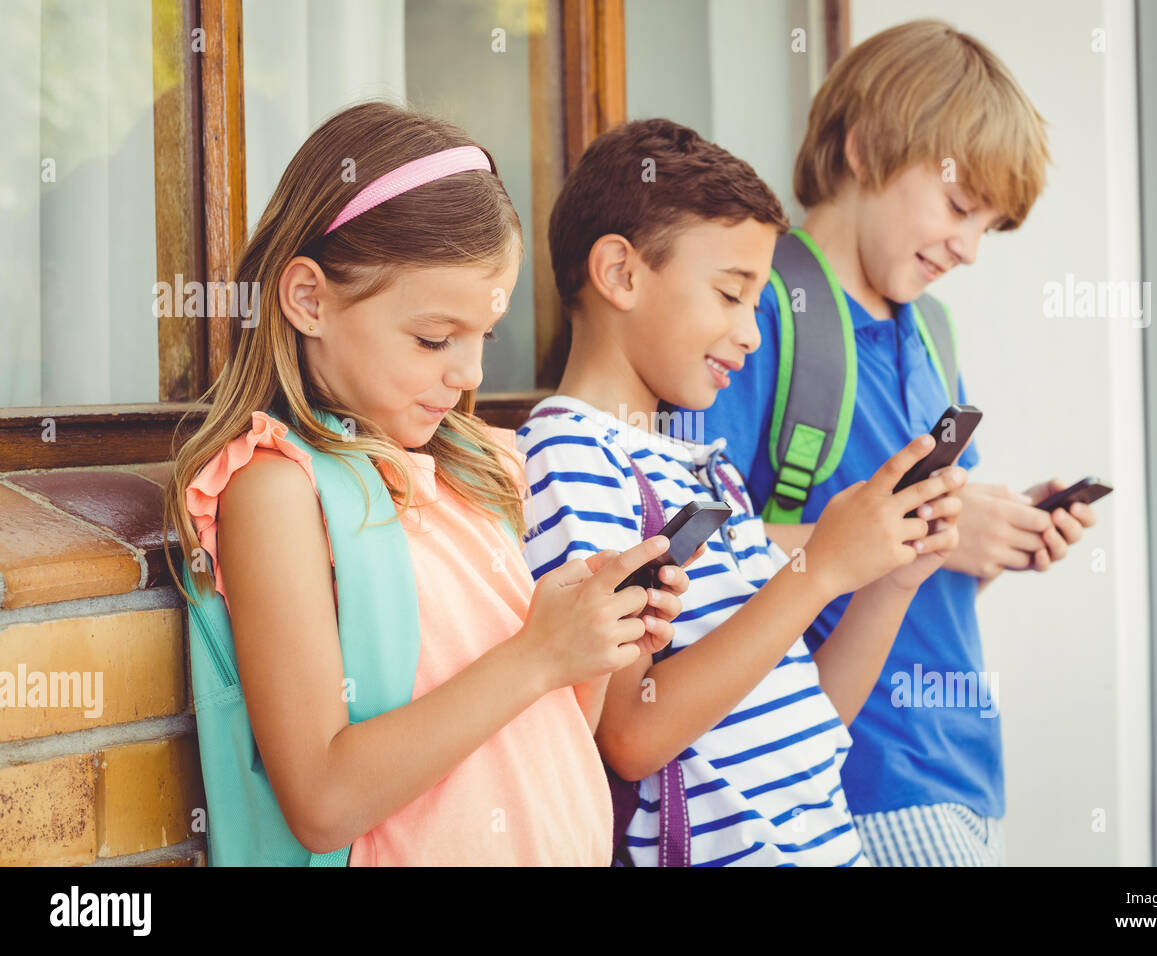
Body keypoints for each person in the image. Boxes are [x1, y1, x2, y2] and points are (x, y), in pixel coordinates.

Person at [162, 101, 692, 866]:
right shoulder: (278, 491)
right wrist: (537, 656)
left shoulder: (475, 474)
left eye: (484, 336)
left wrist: (591, 647)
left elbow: (539, 740)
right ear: (309, 299)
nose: (470, 373)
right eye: (434, 338)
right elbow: (321, 801)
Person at [686, 20, 1098, 865]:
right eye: (957, 207)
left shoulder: (932, 335)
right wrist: (931, 539)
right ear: (866, 150)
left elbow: (911, 580)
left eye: (991, 226)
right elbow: (690, 544)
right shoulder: (758, 317)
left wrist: (992, 542)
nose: (971, 248)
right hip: (855, 778)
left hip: (962, 770)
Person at [517, 117, 968, 866]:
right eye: (731, 295)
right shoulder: (570, 453)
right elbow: (630, 732)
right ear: (620, 274)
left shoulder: (708, 470)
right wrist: (819, 567)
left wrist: (888, 584)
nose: (753, 334)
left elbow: (811, 712)